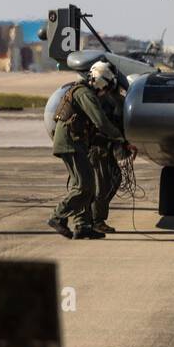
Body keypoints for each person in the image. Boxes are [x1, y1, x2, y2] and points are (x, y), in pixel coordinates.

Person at [48, 61, 125, 240]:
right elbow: (100, 121)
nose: (105, 91)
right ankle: (57, 216)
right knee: (84, 186)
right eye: (106, 86)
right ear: (100, 81)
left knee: (86, 185)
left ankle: (82, 226)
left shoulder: (85, 92)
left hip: (76, 143)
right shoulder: (84, 94)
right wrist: (120, 138)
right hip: (70, 143)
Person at [87, 63, 126, 234]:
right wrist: (119, 139)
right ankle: (96, 220)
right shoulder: (92, 98)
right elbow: (101, 123)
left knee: (114, 178)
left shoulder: (106, 97)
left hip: (105, 146)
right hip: (96, 146)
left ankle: (93, 215)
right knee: (100, 185)